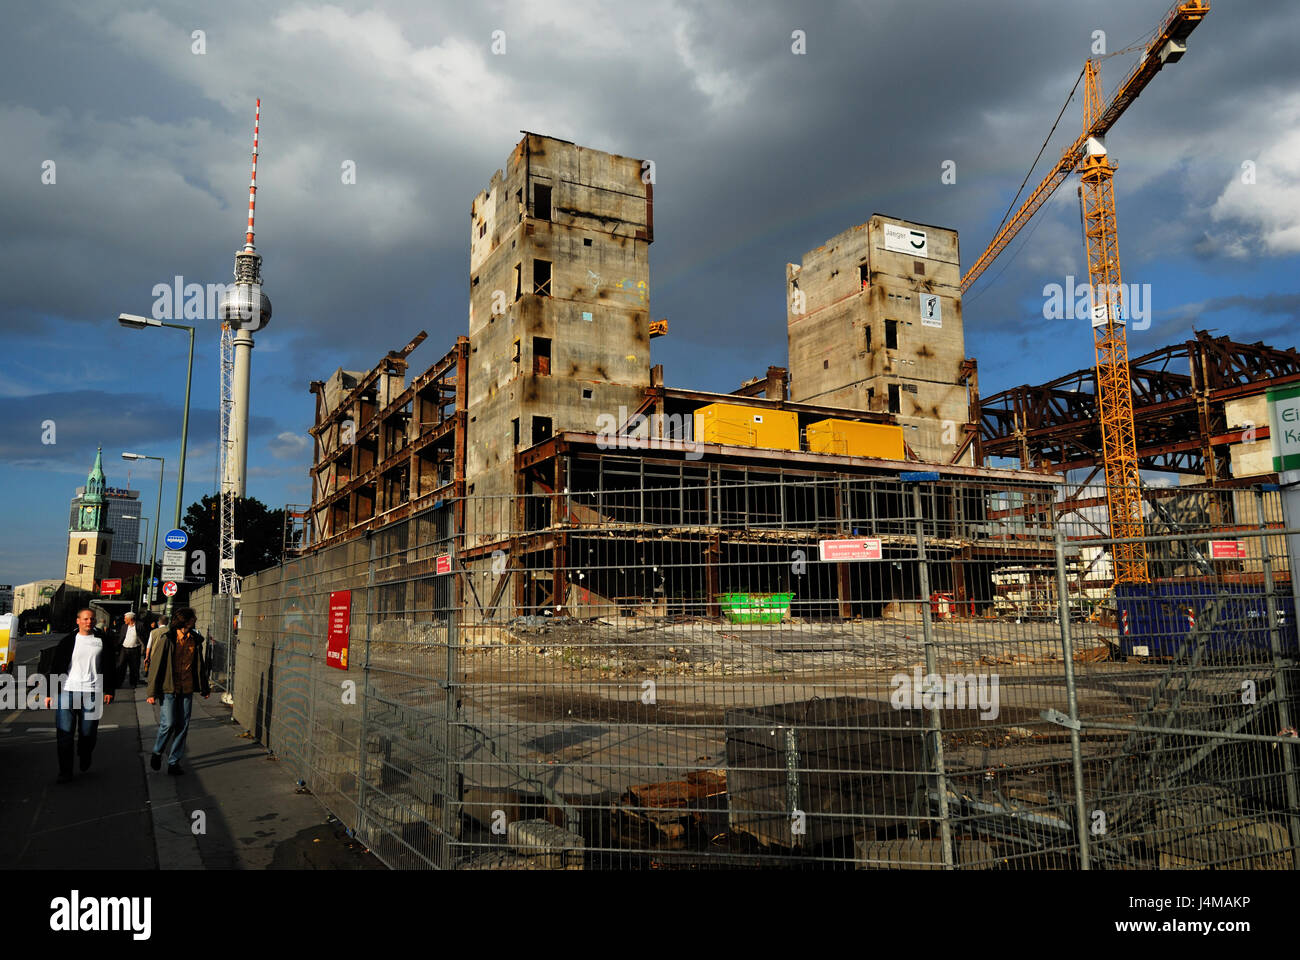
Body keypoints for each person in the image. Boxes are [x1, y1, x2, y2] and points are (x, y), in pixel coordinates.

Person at [42, 607, 118, 783]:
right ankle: (65, 772)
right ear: (78, 621)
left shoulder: (102, 641)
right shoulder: (68, 641)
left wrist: (109, 690)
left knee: (88, 733)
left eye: (91, 619)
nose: (88, 622)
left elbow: (110, 667)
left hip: (92, 693)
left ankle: (85, 754)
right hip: (67, 691)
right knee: (65, 734)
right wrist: (49, 693)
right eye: (85, 619)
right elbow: (56, 667)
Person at [145, 607, 209, 775]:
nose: (195, 619)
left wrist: (204, 687)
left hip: (186, 688)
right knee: (169, 723)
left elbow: (199, 665)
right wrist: (151, 693)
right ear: (186, 620)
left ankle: (174, 762)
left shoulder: (194, 639)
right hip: (169, 688)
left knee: (183, 725)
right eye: (193, 617)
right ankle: (158, 752)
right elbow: (156, 666)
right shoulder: (167, 639)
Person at [116, 611, 145, 687]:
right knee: (121, 666)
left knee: (134, 667)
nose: (124, 620)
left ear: (130, 619)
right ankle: (119, 683)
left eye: (125, 619)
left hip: (135, 649)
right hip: (124, 649)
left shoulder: (140, 625)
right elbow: (121, 637)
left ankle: (133, 683)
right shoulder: (124, 626)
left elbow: (143, 636)